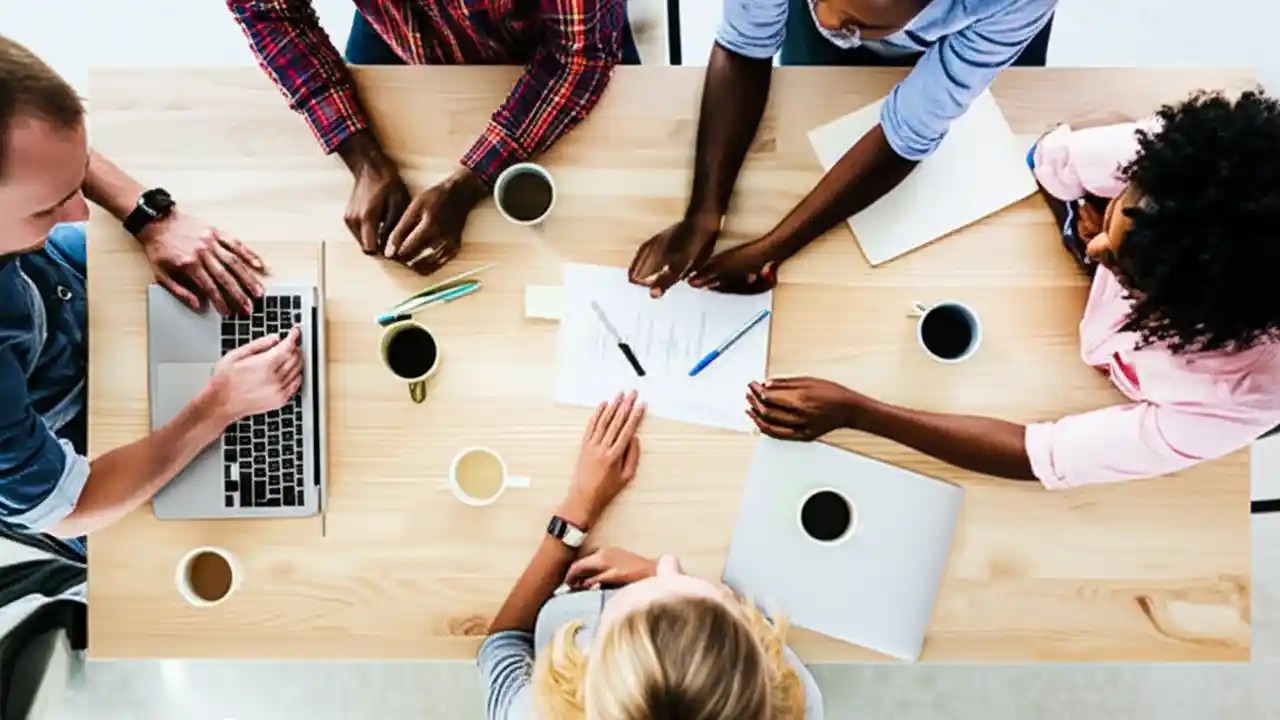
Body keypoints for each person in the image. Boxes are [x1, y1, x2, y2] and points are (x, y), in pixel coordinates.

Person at [743, 90, 1280, 490]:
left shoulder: (1243, 397)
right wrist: (1080, 233)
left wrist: (858, 413)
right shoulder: (1181, 166)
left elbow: (1042, 457)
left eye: (1128, 271)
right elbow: (1052, 159)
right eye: (1115, 216)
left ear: (1200, 317)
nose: (1096, 252)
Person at [0, 36, 304, 551]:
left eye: (76, 189)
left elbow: (45, 159)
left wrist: (147, 217)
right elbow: (68, 507)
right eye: (49, 208)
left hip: (60, 291)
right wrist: (218, 407)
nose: (81, 215)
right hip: (70, 447)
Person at [628, 0, 1057, 297]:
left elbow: (910, 130)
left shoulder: (1014, 5)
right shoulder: (838, 13)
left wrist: (776, 246)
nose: (830, 25)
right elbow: (745, 43)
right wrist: (705, 211)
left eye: (855, 23)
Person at [228, 0, 636, 276]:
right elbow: (268, 12)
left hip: (545, 35)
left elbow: (581, 56)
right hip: (397, 24)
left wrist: (468, 182)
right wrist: (363, 158)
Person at [479, 392, 822, 719]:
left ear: (589, 668)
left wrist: (577, 511)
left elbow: (501, 644)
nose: (669, 563)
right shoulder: (797, 703)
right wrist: (653, 576)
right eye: (716, 607)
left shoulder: (529, 713)